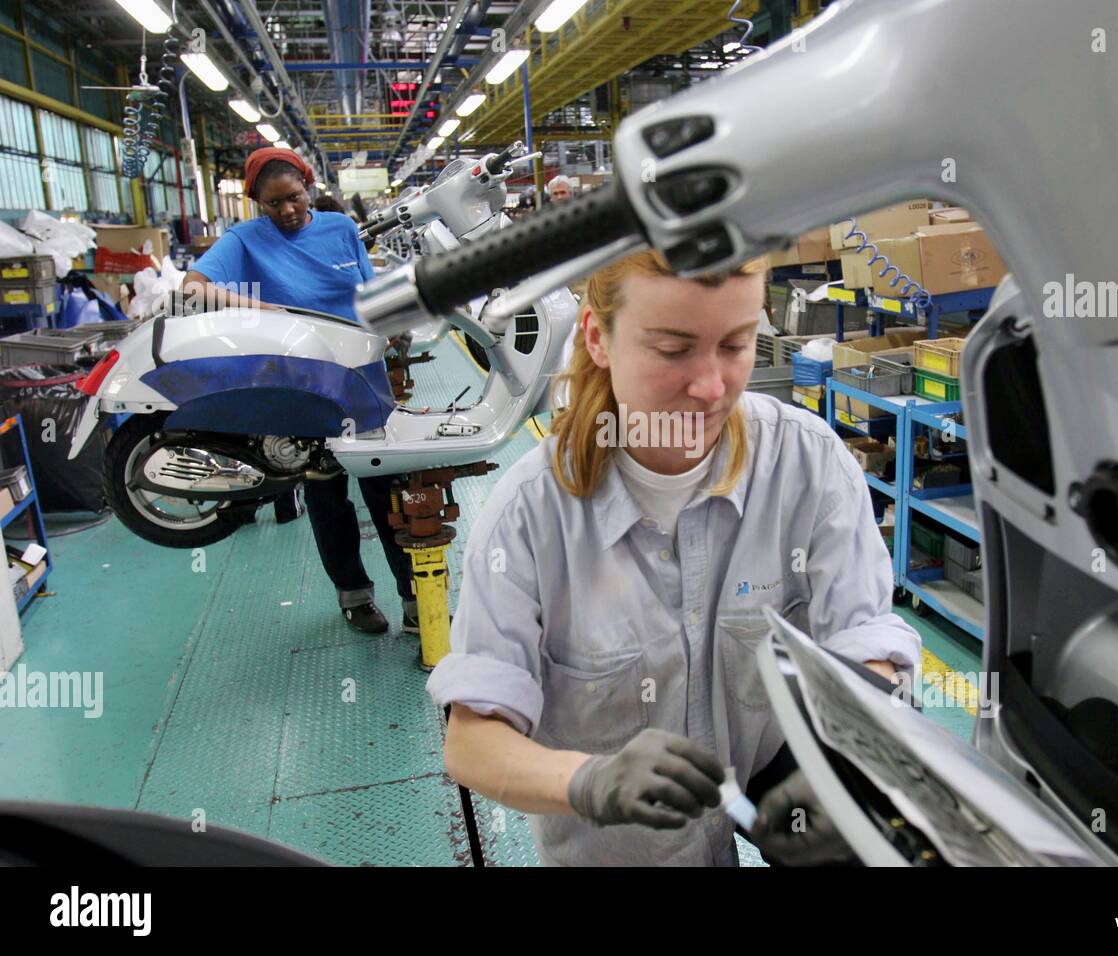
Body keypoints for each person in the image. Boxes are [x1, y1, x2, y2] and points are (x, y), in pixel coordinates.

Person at [429, 249, 921, 865]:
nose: (713, 387)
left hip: (768, 771)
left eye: (737, 345)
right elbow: (472, 744)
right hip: (621, 846)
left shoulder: (806, 462)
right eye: (673, 350)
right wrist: (590, 782)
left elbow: (864, 635)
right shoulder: (531, 515)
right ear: (597, 338)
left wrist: (847, 759)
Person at [181, 147, 417, 636]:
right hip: (301, 386)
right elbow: (193, 288)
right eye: (273, 204)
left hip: (361, 376)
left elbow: (369, 295)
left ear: (307, 187)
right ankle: (354, 597)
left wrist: (392, 331)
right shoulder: (244, 240)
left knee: (386, 488)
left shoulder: (341, 229)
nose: (287, 211)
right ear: (258, 204)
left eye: (293, 197)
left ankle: (415, 598)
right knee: (327, 494)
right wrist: (257, 309)